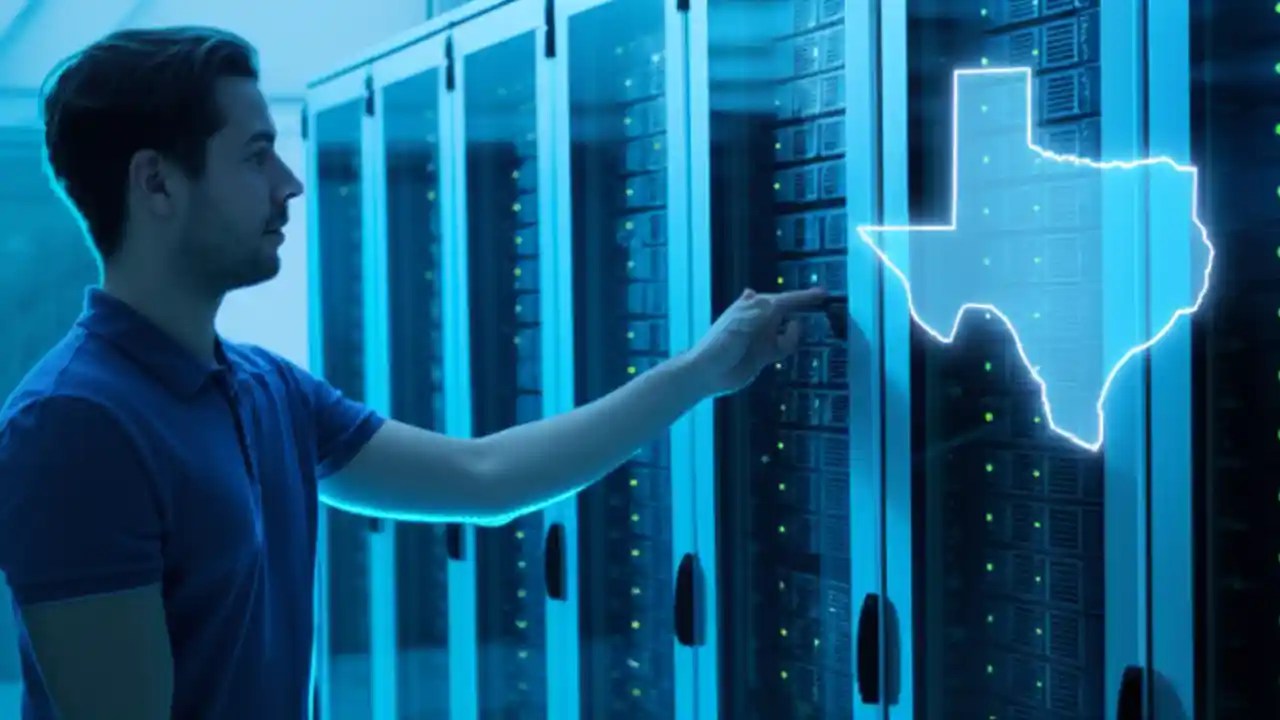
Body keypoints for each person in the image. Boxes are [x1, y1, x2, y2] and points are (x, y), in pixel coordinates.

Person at [0, 25, 826, 720]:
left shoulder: (264, 388)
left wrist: (699, 371)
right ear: (156, 184)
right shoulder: (75, 422)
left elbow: (485, 476)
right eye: (256, 157)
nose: (289, 184)